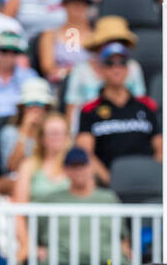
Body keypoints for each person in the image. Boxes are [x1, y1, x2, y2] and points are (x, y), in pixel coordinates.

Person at [35, 146, 128, 265]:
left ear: (90, 167)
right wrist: (38, 248)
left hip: (105, 259)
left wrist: (125, 250)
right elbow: (36, 230)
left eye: (82, 165)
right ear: (65, 170)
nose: (79, 171)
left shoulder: (108, 198)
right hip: (63, 260)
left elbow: (123, 236)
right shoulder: (52, 200)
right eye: (73, 167)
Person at [76, 39, 159, 183]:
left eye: (122, 63)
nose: (116, 68)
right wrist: (111, 181)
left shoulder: (146, 106)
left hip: (145, 182)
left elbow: (161, 147)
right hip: (107, 186)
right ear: (100, 70)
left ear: (128, 69)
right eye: (109, 63)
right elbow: (86, 152)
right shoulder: (89, 110)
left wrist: (150, 176)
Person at [63, 15, 146, 128]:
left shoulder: (133, 67)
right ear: (98, 45)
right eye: (108, 42)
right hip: (89, 128)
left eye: (119, 42)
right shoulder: (80, 70)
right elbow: (72, 111)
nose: (114, 47)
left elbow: (140, 105)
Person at [0, 75, 54, 188]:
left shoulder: (52, 133)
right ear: (22, 108)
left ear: (46, 108)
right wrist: (24, 130)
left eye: (40, 104)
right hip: (18, 180)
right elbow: (12, 167)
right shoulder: (9, 133)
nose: (35, 109)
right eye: (29, 104)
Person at [37, 0, 90, 85]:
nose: (78, 8)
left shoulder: (97, 35)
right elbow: (47, 67)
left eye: (82, 4)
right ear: (65, 5)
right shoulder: (50, 35)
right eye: (74, 4)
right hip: (60, 85)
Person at [12, 109, 70, 201]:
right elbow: (19, 208)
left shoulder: (76, 165)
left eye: (61, 133)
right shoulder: (28, 166)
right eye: (52, 133)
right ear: (42, 138)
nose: (57, 137)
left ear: (67, 137)